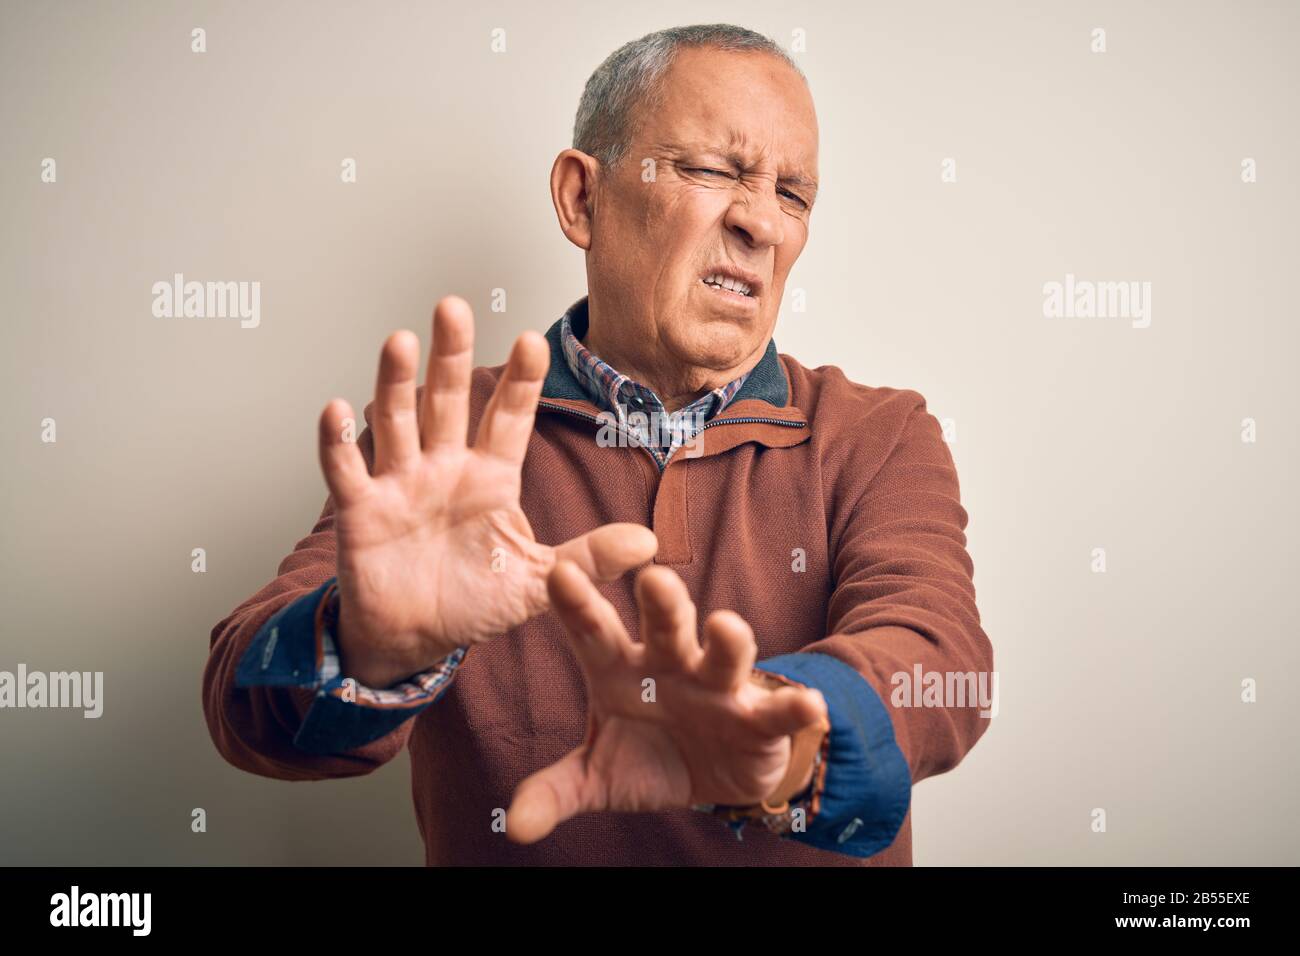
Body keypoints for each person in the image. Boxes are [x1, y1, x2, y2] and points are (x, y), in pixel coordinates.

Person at [202, 23, 993, 865]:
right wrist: (368, 646)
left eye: (793, 194)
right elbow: (241, 705)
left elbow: (939, 658)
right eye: (714, 170)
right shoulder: (446, 442)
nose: (763, 222)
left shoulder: (878, 433)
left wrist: (774, 733)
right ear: (584, 198)